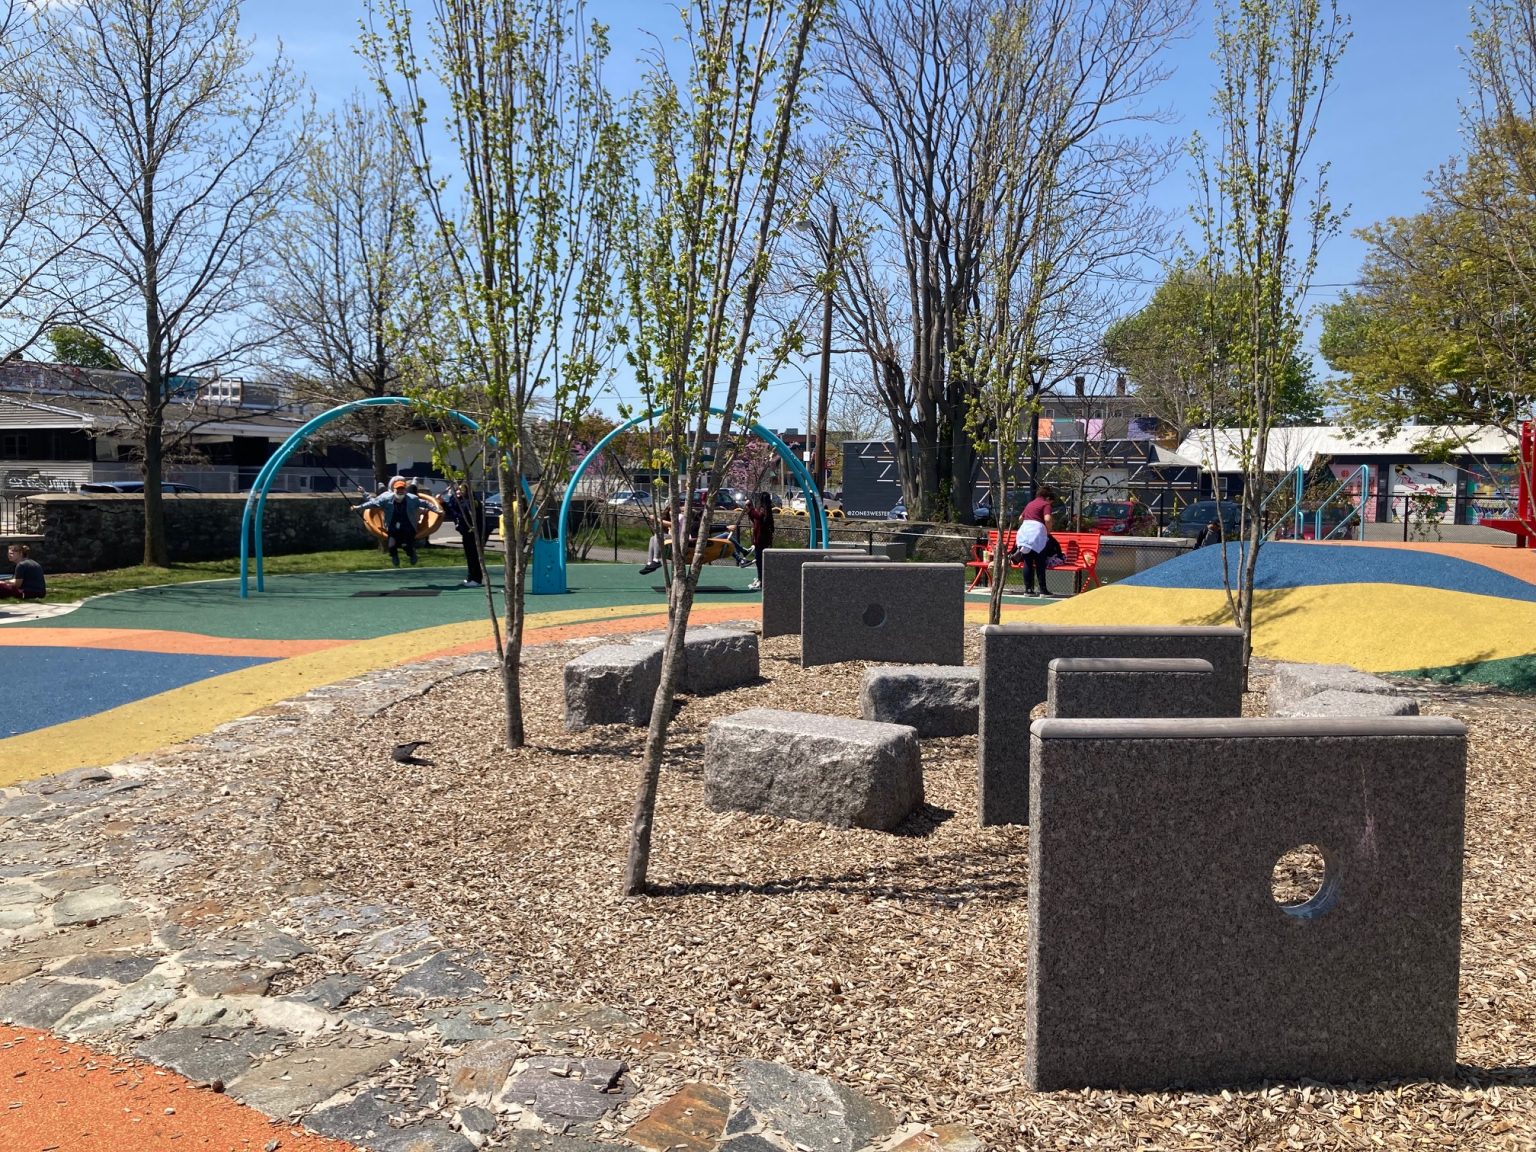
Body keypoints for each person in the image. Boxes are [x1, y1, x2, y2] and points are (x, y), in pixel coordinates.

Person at [354, 475, 422, 567]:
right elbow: (373, 501)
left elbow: (422, 504)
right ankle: (395, 556)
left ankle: (412, 554)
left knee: (406, 545)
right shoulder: (387, 497)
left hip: (407, 526)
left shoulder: (409, 497)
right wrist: (363, 493)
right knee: (391, 546)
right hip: (393, 526)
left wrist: (432, 510)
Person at [1009, 484, 1057, 596]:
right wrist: (1048, 530)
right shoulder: (1046, 504)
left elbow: (1021, 518)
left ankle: (1028, 590)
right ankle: (1043, 590)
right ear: (1048, 497)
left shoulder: (1030, 504)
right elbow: (1047, 519)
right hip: (1037, 534)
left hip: (1024, 533)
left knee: (1027, 561)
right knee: (1040, 562)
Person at [442, 482, 489, 587]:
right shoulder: (462, 500)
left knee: (474, 556)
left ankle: (476, 579)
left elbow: (459, 514)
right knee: (469, 555)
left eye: (461, 490)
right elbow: (454, 505)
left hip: (475, 532)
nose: (458, 492)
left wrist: (446, 504)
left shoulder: (470, 502)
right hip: (467, 533)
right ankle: (470, 578)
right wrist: (447, 498)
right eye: (457, 490)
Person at [746, 491, 774, 591]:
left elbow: (758, 516)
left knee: (759, 559)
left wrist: (750, 506)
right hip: (763, 539)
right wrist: (750, 511)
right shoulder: (767, 509)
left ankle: (761, 580)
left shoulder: (763, 509)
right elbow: (756, 519)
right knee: (760, 559)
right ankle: (760, 578)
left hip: (761, 539)